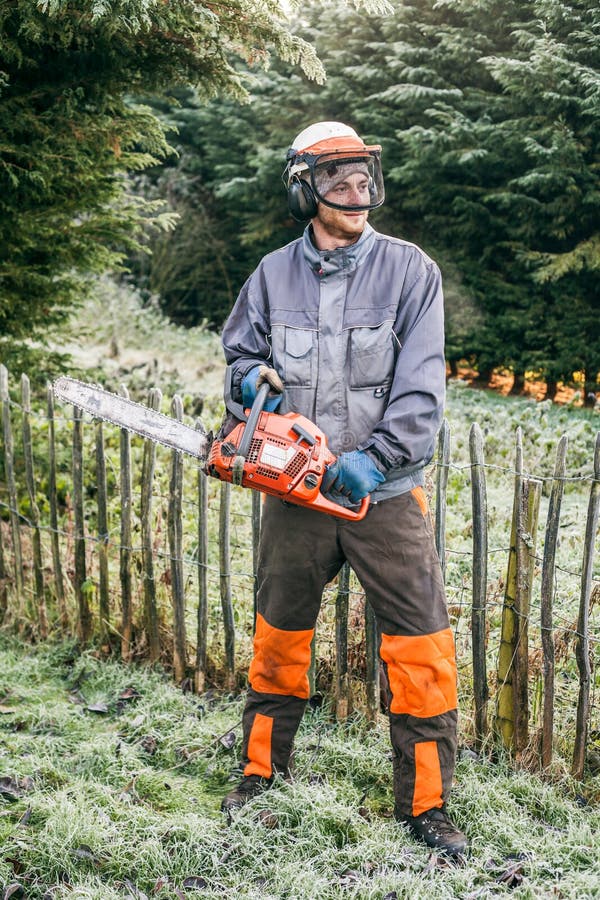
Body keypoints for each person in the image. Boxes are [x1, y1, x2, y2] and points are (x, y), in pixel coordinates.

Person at [219, 121, 467, 856]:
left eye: (363, 177)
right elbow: (240, 354)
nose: (355, 192)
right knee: (278, 636)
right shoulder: (270, 275)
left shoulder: (409, 270)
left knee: (421, 649)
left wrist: (380, 456)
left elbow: (423, 386)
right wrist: (246, 380)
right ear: (305, 188)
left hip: (383, 498)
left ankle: (426, 806)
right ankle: (262, 771)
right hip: (295, 496)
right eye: (337, 178)